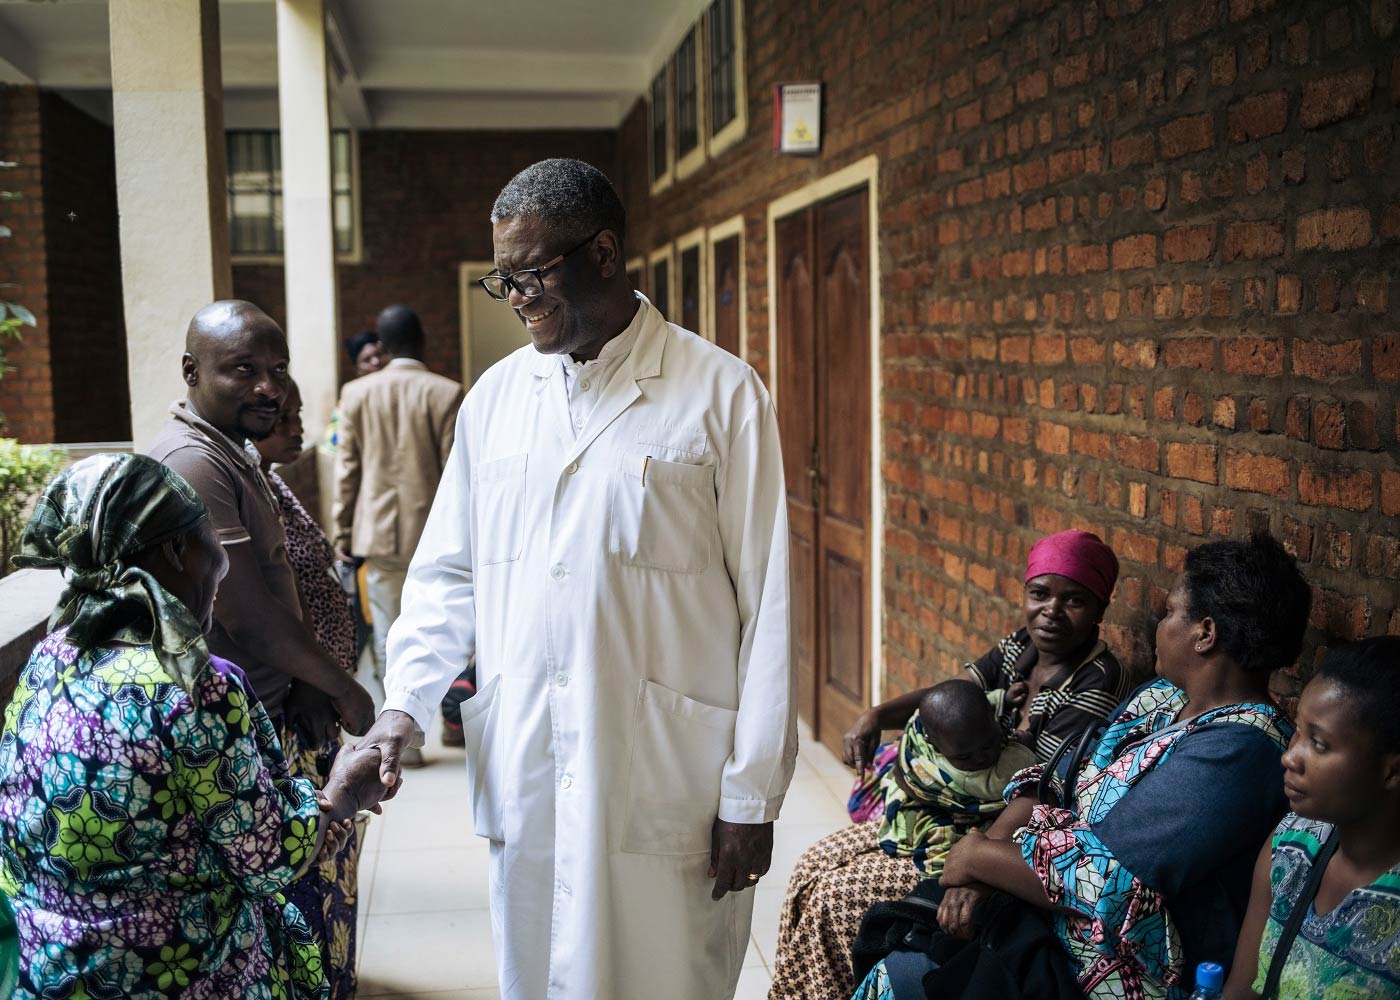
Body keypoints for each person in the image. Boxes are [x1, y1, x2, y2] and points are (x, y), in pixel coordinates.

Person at [341, 158, 795, 1000]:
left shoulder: (721, 395)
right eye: (502, 279)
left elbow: (768, 605)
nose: (516, 296)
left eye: (533, 272)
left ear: (605, 252)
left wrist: (752, 793)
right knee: (541, 972)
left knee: (667, 977)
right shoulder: (495, 401)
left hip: (668, 775)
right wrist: (399, 711)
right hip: (529, 766)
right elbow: (446, 577)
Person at [854, 532, 1311, 1000]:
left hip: (1107, 962)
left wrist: (976, 857)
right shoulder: (1161, 698)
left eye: (1171, 611)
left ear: (1205, 633)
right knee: (900, 944)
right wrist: (982, 862)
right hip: (1035, 902)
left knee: (908, 975)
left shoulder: (1241, 748)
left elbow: (1105, 879)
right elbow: (1049, 784)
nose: (1160, 624)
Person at [0, 453, 375, 999]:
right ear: (178, 549)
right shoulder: (197, 688)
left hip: (56, 973)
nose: (219, 572)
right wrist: (341, 790)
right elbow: (266, 859)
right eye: (211, 543)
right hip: (181, 973)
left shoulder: (50, 660)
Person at [770, 527, 1128, 998]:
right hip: (951, 820)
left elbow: (1036, 790)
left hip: (1002, 839)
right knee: (811, 866)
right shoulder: (1022, 647)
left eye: (1075, 601)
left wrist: (977, 866)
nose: (1052, 612)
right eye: (1040, 594)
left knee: (835, 900)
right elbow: (949, 695)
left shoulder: (1097, 681)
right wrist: (878, 715)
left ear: (1101, 609)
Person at [144, 300, 375, 743]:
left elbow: (278, 574)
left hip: (264, 708)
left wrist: (309, 680)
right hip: (224, 725)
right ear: (192, 371)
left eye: (280, 369)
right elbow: (246, 614)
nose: (271, 388)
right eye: (245, 369)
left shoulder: (237, 453)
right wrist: (342, 686)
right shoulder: (192, 462)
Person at [255, 381, 361, 1000]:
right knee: (310, 856)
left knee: (335, 851)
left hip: (315, 702)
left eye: (297, 413)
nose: (298, 427)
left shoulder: (271, 482)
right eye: (283, 418)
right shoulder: (239, 488)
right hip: (298, 707)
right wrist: (314, 682)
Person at [1225, 637, 1400, 1000]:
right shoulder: (1290, 845)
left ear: (1392, 770)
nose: (1291, 757)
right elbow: (1240, 993)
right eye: (1299, 732)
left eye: (1319, 744)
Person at [332, 304, 464, 752]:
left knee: (391, 632)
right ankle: (449, 720)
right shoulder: (445, 392)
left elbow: (346, 470)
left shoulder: (356, 394)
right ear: (422, 342)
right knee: (444, 626)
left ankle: (405, 745)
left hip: (378, 533)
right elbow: (456, 473)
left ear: (383, 347)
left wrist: (342, 529)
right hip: (435, 533)